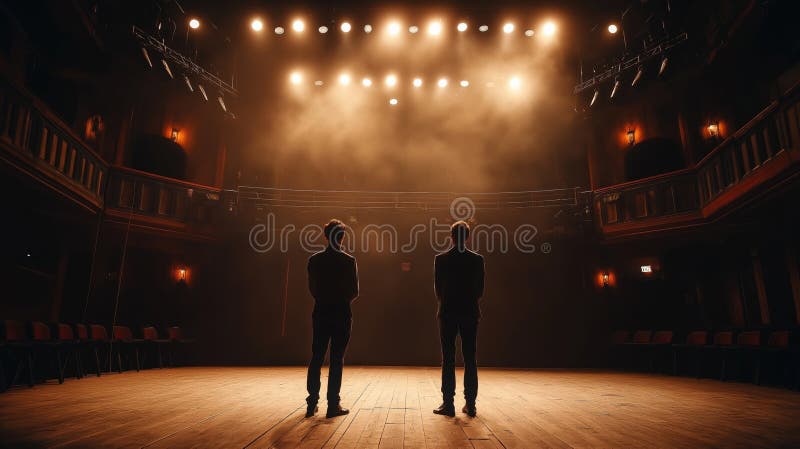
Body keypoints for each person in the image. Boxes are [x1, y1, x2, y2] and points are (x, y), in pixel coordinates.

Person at [306, 219, 359, 418]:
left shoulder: (314, 260)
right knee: (337, 359)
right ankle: (333, 405)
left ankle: (312, 403)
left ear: (326, 236)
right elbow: (354, 291)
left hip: (321, 312)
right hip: (341, 314)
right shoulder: (348, 261)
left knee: (316, 357)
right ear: (342, 236)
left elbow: (312, 289)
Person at [433, 220, 485, 417]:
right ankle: (470, 404)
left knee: (448, 359)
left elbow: (438, 290)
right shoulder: (477, 260)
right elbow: (480, 290)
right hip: (470, 312)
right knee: (470, 358)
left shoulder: (441, 259)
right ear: (468, 237)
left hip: (447, 312)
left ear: (451, 236)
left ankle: (448, 404)